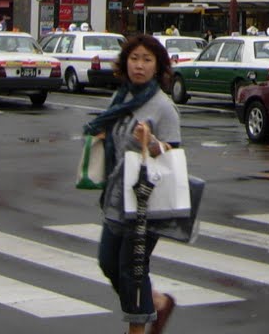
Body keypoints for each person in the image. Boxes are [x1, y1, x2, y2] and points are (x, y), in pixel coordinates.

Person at [85, 33, 181, 334]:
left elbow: (174, 154)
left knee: (131, 270)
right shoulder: (121, 97)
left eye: (147, 60)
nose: (139, 65)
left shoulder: (162, 106)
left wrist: (151, 142)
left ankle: (137, 328)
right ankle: (156, 302)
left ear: (158, 66)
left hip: (146, 200)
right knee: (108, 263)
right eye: (134, 58)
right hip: (117, 197)